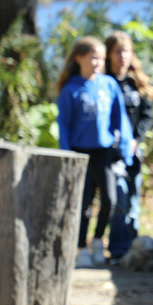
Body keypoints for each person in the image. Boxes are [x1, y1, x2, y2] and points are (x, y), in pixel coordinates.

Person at [56, 36, 133, 267]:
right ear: (79, 58)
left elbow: (121, 119)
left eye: (100, 58)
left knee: (110, 199)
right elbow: (64, 127)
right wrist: (67, 156)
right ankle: (80, 248)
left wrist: (126, 149)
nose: (98, 63)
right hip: (80, 154)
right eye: (93, 58)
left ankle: (98, 240)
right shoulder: (70, 90)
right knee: (83, 204)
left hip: (104, 153)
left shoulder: (108, 84)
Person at [104, 31, 153, 262]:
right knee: (119, 199)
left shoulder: (137, 83)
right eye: (118, 51)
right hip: (112, 153)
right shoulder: (104, 81)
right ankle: (117, 249)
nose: (123, 56)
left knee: (133, 199)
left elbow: (147, 114)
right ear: (109, 54)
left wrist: (137, 138)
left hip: (135, 150)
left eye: (126, 51)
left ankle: (132, 246)